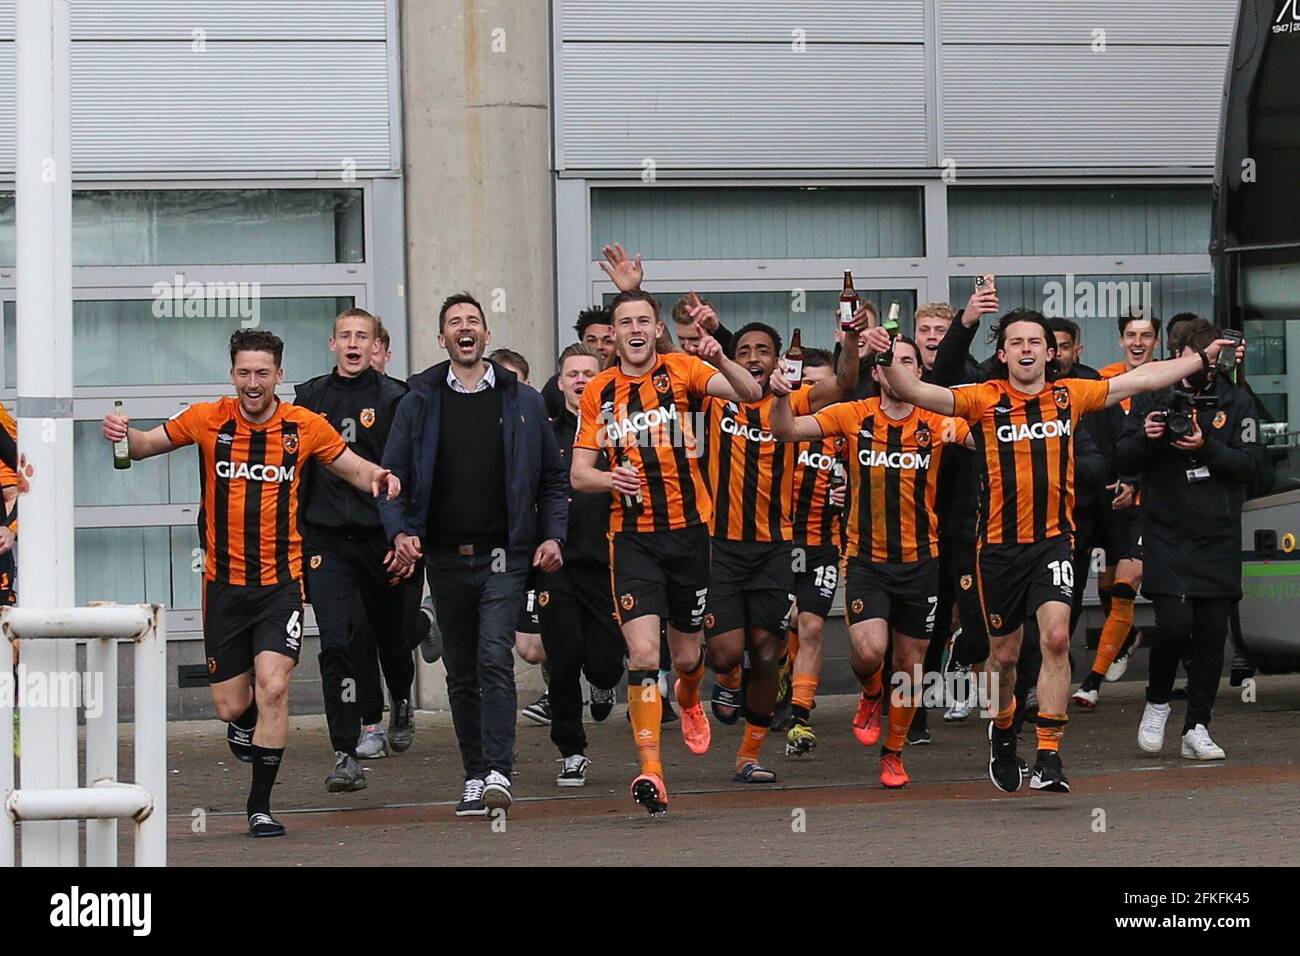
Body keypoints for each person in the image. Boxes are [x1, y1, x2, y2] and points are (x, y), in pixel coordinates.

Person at [871, 308, 1238, 794]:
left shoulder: (1070, 395)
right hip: (998, 551)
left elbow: (1143, 377)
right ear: (1003, 354)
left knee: (1058, 638)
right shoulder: (983, 398)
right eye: (1016, 342)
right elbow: (917, 391)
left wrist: (1198, 360)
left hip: (1053, 543)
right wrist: (881, 351)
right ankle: (1003, 732)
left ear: (1051, 353)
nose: (1026, 349)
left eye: (1035, 342)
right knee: (1004, 658)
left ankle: (1048, 755)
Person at [101, 329, 399, 837]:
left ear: (280, 376)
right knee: (231, 704)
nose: (253, 382)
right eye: (244, 372)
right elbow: (146, 445)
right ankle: (243, 725)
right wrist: (120, 433)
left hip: (281, 584)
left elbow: (351, 467)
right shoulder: (207, 418)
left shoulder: (304, 426)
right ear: (233, 374)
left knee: (275, 687)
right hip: (223, 586)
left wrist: (379, 477)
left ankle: (259, 806)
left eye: (263, 373)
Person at [570, 286, 760, 815]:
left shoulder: (682, 371)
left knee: (686, 654)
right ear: (615, 336)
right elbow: (578, 473)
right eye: (624, 322)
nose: (634, 329)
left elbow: (748, 393)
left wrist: (719, 351)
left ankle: (692, 696)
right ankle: (651, 768)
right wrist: (611, 478)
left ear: (656, 330)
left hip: (689, 534)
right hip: (631, 540)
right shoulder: (599, 391)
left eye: (642, 320)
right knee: (645, 655)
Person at [381, 293, 567, 818]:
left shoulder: (523, 400)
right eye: (454, 324)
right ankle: (473, 773)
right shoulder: (418, 400)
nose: (465, 329)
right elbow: (390, 480)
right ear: (443, 340)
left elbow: (553, 480)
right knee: (460, 671)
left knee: (493, 659)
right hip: (442, 557)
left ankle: (499, 772)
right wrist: (399, 532)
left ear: (486, 336)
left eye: (473, 322)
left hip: (504, 556)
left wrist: (552, 536)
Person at [775, 336, 967, 787]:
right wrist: (782, 397)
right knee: (868, 651)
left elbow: (980, 436)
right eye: (889, 362)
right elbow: (786, 431)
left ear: (919, 373)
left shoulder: (938, 422)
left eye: (908, 361)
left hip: (923, 561)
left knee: (910, 663)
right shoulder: (852, 416)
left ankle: (893, 752)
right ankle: (870, 692)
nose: (898, 368)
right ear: (876, 373)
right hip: (866, 559)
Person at [694, 321, 856, 784]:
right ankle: (724, 680)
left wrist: (848, 337)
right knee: (726, 653)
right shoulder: (715, 396)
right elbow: (665, 355)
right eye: (743, 349)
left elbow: (845, 383)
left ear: (778, 357)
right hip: (721, 544)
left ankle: (749, 755)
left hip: (774, 547)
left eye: (762, 350)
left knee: (766, 653)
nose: (753, 357)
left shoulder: (794, 400)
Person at [1121, 318, 1262, 759]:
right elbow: (1122, 458)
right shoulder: (1153, 395)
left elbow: (1253, 467)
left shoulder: (1236, 400)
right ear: (1177, 354)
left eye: (1206, 359)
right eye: (1187, 357)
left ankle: (1197, 725)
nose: (1197, 367)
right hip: (1166, 533)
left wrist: (1206, 446)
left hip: (1217, 536)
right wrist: (1147, 437)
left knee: (1210, 635)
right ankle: (1157, 701)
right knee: (1174, 627)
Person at [293, 308, 416, 790]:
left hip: (381, 541)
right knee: (342, 642)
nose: (352, 344)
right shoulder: (308, 399)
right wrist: (297, 543)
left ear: (375, 346)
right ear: (331, 343)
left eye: (361, 337)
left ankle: (400, 696)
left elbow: (408, 471)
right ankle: (346, 751)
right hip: (326, 542)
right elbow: (296, 474)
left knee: (394, 637)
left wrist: (403, 536)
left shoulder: (395, 399)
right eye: (344, 336)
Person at [536, 343, 626, 785]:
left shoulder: (620, 432)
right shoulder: (546, 434)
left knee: (605, 664)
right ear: (560, 382)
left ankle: (605, 682)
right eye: (572, 373)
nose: (580, 380)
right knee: (563, 657)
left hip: (607, 561)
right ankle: (571, 750)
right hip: (557, 564)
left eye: (589, 372)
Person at [1073, 314, 1160, 707]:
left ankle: (1093, 681)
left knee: (1127, 586)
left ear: (1156, 342)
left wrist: (1138, 480)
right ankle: (1123, 641)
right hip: (1112, 501)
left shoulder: (1168, 381)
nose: (1137, 342)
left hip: (1158, 505)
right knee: (1111, 584)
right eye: (1131, 336)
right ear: (1121, 340)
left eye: (1145, 336)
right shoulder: (1105, 382)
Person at [781, 348, 847, 755]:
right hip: (777, 544)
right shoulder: (779, 428)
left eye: (822, 385)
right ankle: (779, 681)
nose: (815, 392)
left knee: (813, 626)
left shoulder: (852, 431)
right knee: (775, 630)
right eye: (807, 384)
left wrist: (852, 492)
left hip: (824, 543)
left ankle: (799, 717)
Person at [541, 307, 617, 418]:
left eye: (607, 341)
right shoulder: (557, 386)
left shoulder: (626, 384)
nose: (599, 346)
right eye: (592, 340)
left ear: (618, 347)